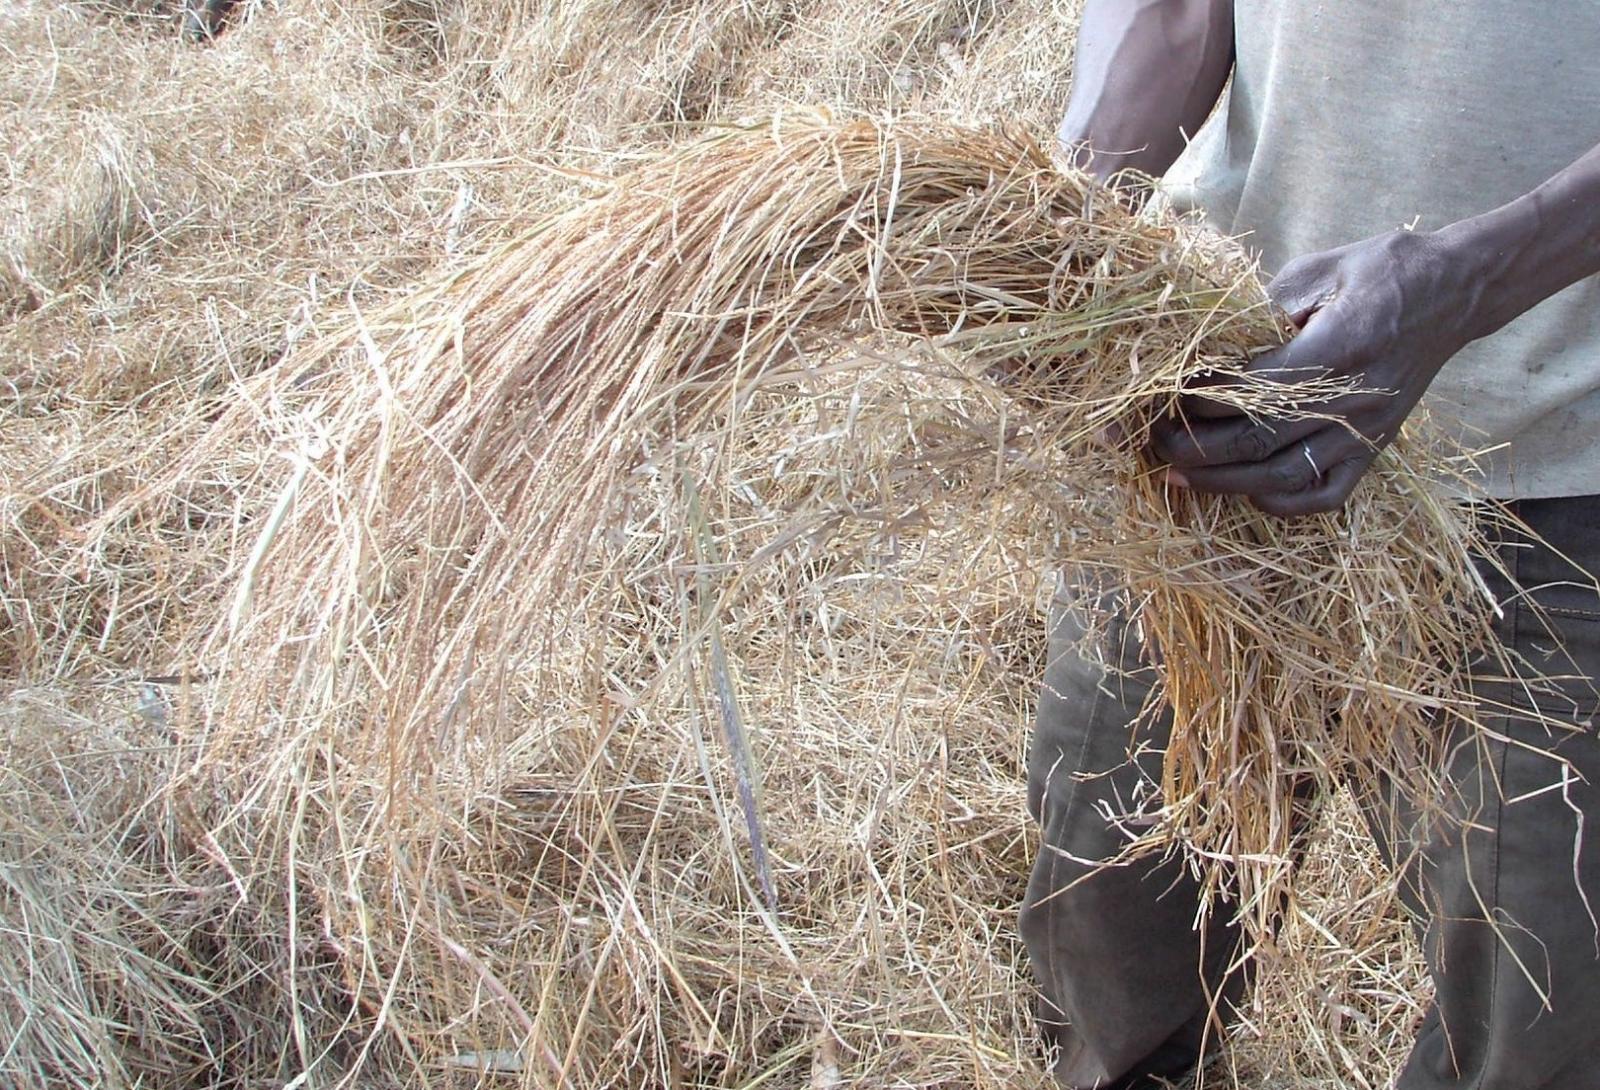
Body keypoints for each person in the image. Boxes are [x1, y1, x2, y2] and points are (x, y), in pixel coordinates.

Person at [1024, 3, 1600, 1087]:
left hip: (1560, 465)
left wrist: (1472, 277)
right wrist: (1069, 226)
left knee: (1537, 1027)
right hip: (1216, 400)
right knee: (1106, 937)